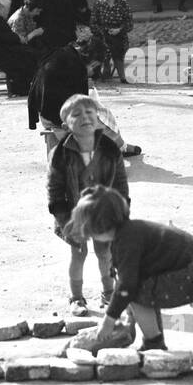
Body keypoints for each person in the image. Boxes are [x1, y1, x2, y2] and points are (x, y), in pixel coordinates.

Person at [72, 186, 193, 352]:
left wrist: (109, 319)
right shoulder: (126, 232)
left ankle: (153, 342)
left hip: (190, 267)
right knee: (140, 290)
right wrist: (127, 318)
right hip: (185, 261)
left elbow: (126, 287)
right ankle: (155, 338)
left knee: (137, 294)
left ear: (100, 225)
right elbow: (125, 277)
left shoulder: (127, 240)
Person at [48, 94, 129, 316]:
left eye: (90, 112)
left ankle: (109, 294)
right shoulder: (60, 154)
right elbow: (54, 189)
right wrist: (65, 220)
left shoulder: (110, 149)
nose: (85, 117)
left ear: (98, 118)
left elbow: (121, 182)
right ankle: (76, 298)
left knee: (106, 254)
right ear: (66, 125)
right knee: (79, 253)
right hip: (75, 215)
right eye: (77, 114)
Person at [29, 29, 141, 156]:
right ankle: (120, 147)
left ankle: (120, 145)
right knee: (98, 119)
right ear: (93, 63)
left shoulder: (64, 53)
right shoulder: (77, 68)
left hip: (43, 112)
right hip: (55, 118)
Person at [90, 0, 134, 84]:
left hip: (119, 35)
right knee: (101, 44)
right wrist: (104, 31)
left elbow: (129, 23)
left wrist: (119, 30)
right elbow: (93, 23)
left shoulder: (122, 4)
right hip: (102, 35)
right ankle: (102, 70)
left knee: (116, 44)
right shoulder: (98, 5)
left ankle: (121, 76)